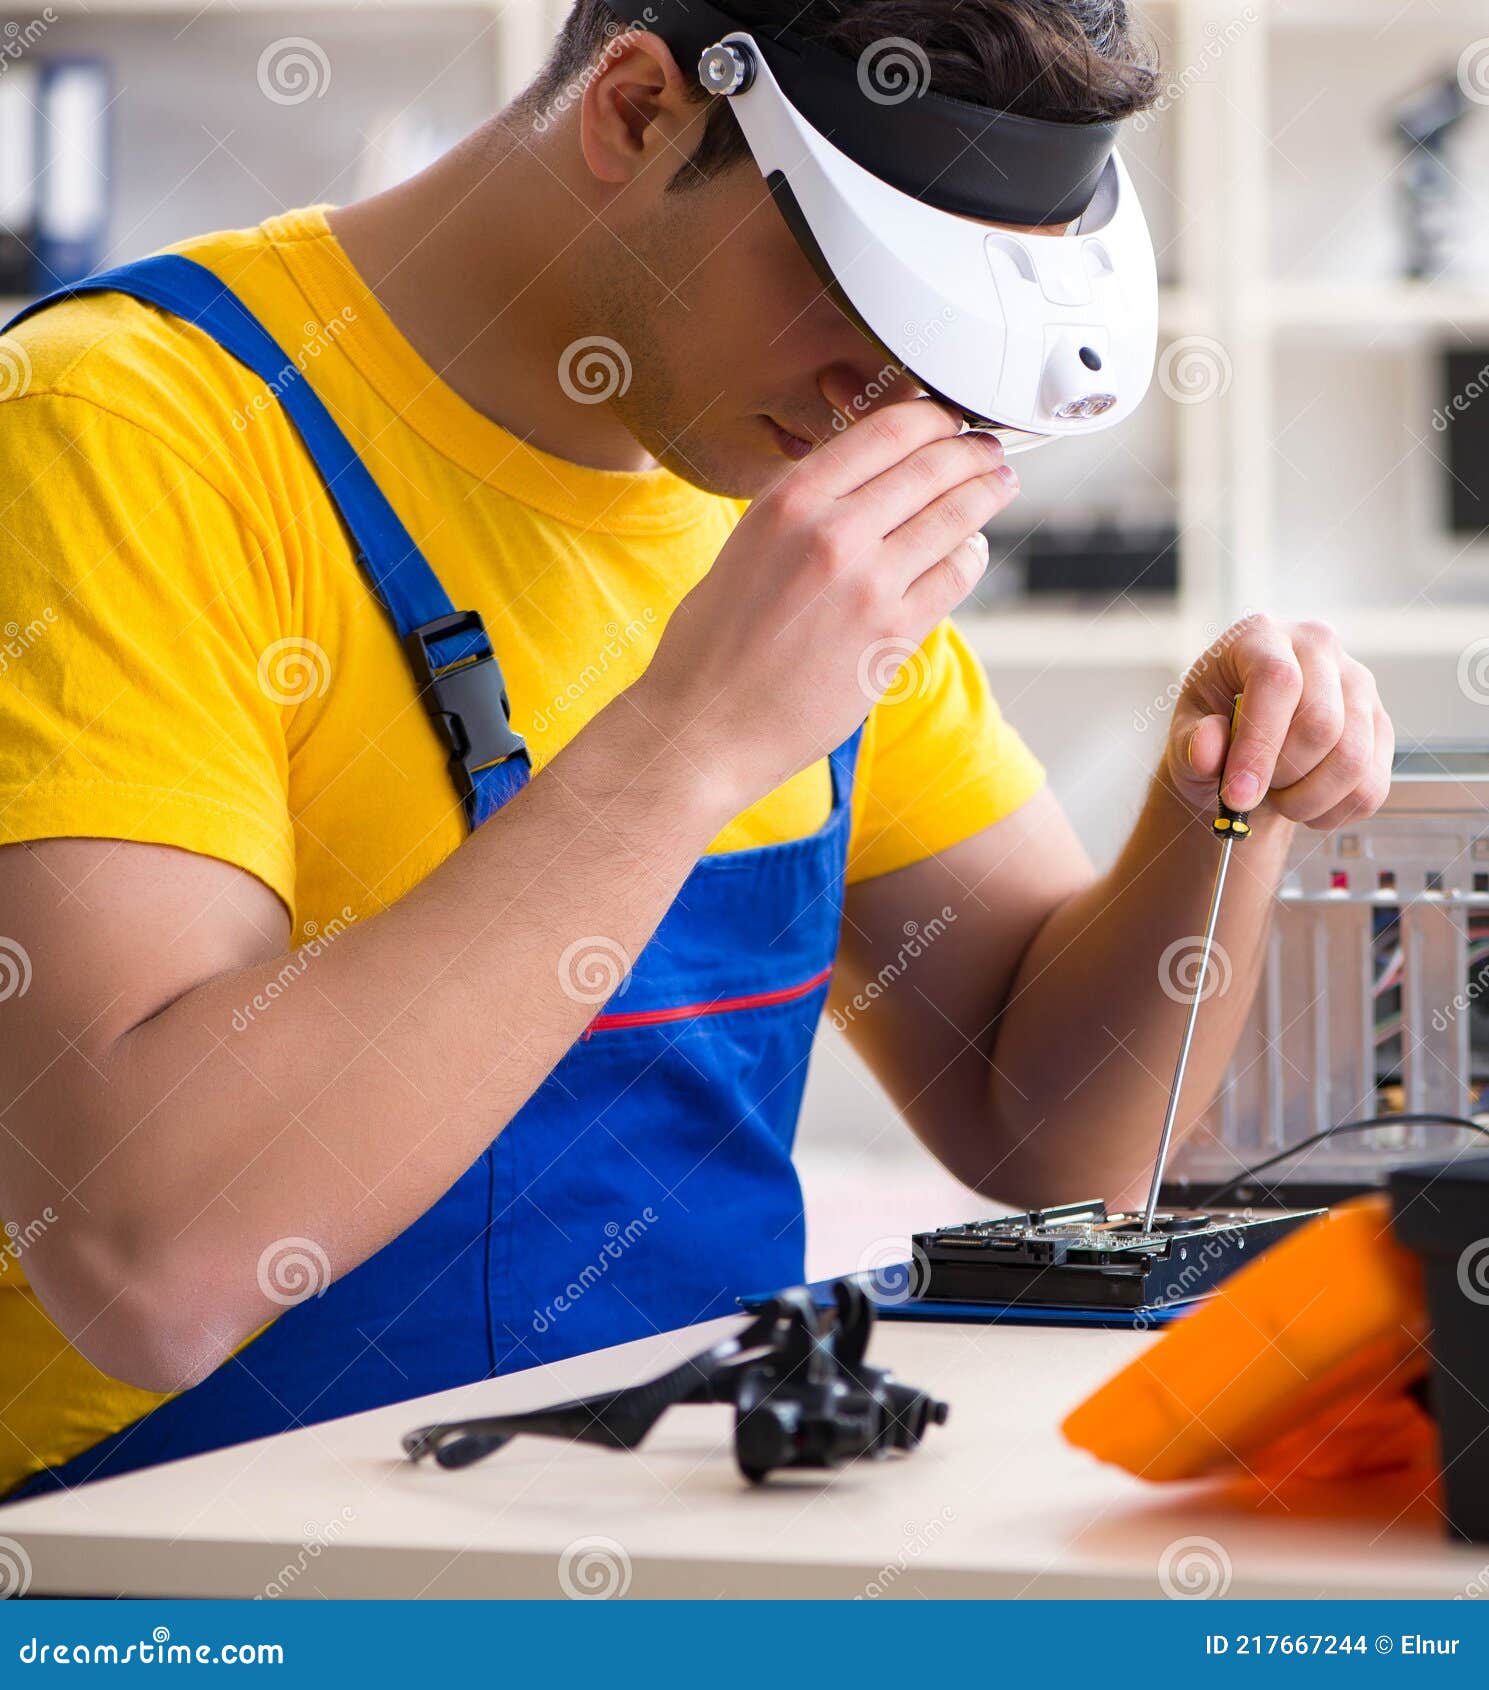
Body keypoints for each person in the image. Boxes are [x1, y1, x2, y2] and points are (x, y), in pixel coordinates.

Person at [0, 0, 1392, 1499]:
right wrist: (689, 740)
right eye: (860, 304)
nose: (891, 403)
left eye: (945, 346)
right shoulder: (125, 431)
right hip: (208, 1587)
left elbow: (1055, 1136)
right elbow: (147, 1264)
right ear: (640, 110)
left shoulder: (764, 459)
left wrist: (1219, 810)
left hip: (677, 1542)